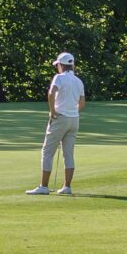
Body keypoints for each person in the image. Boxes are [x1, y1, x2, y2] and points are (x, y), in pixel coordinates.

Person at [27, 51, 85, 196]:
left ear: (61, 65)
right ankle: (67, 187)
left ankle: (44, 186)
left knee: (47, 152)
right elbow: (82, 103)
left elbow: (51, 93)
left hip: (61, 118)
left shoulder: (59, 78)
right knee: (68, 154)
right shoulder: (78, 81)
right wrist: (73, 111)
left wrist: (52, 111)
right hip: (74, 119)